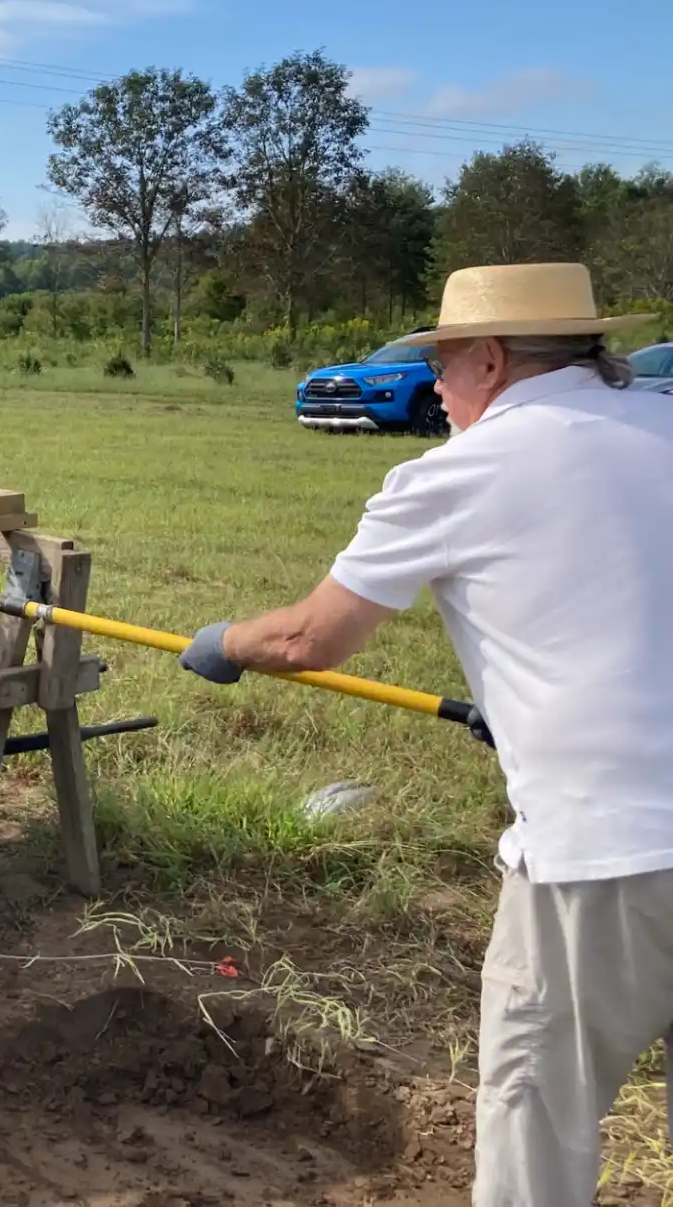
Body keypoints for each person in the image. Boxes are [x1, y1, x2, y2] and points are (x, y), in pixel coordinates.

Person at [174, 263, 672, 1207]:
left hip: (604, 854)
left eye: (442, 363)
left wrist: (228, 643)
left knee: (539, 1112)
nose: (436, 386)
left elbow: (308, 636)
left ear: (491, 358)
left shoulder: (459, 471)